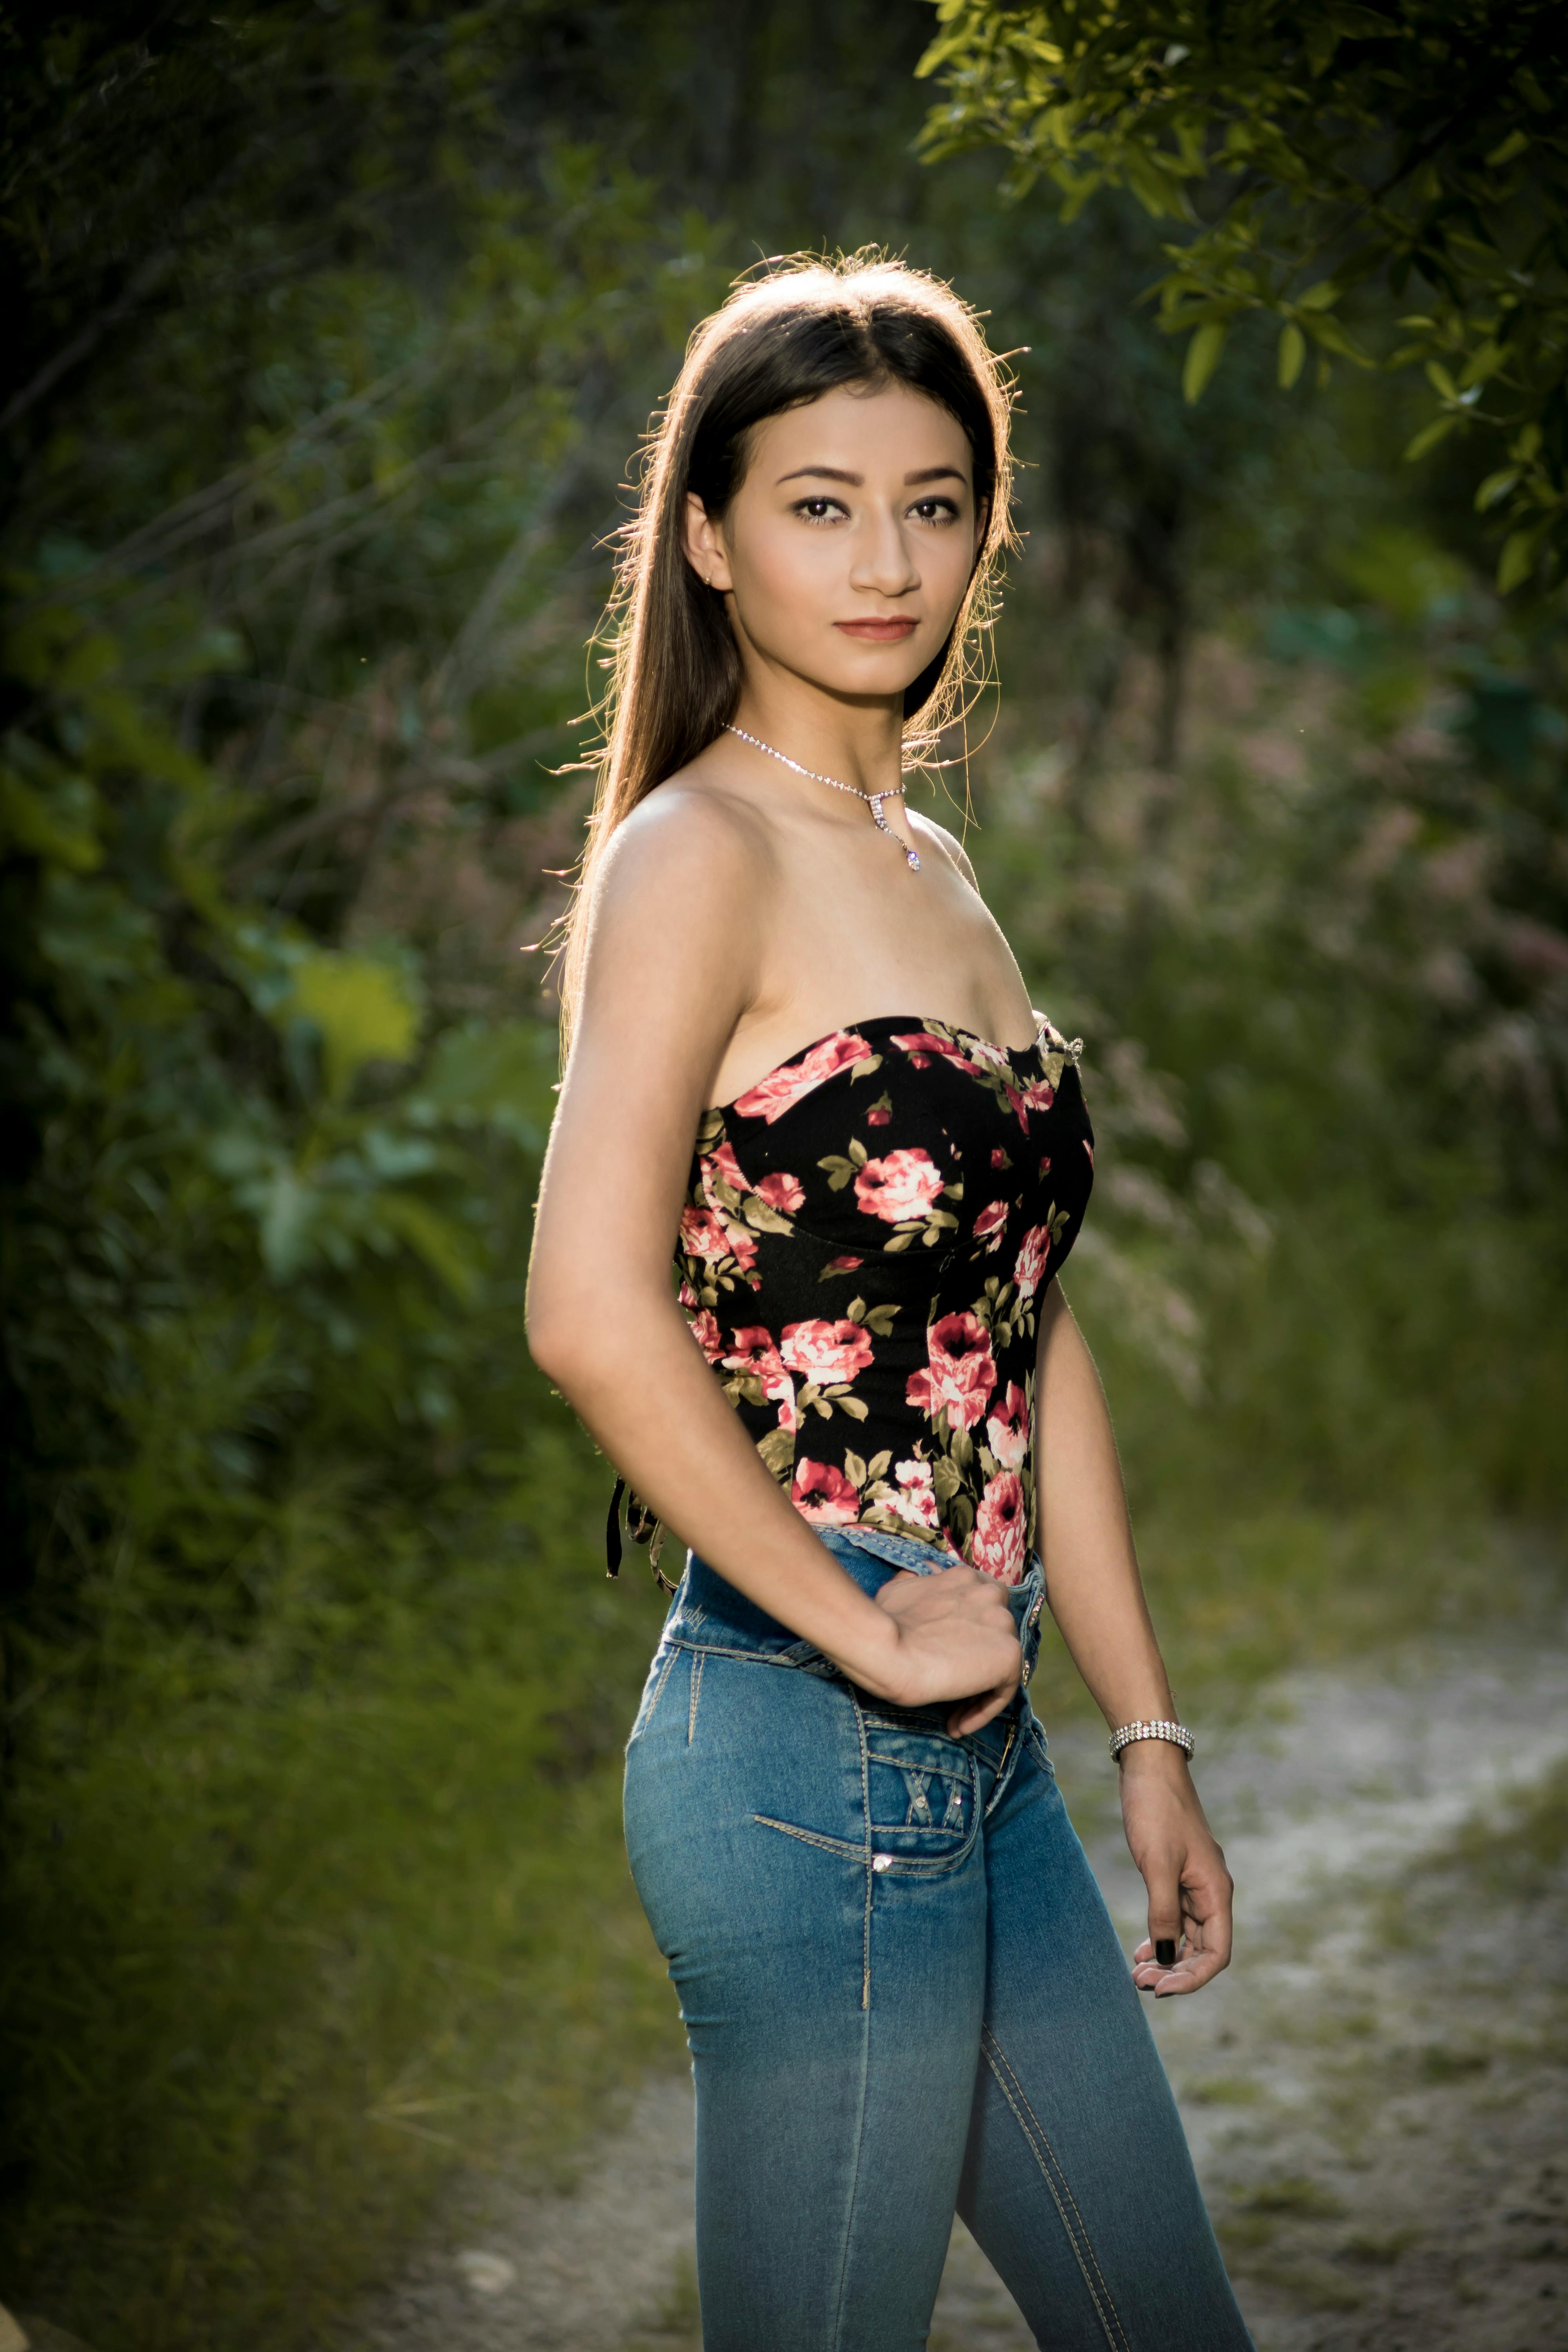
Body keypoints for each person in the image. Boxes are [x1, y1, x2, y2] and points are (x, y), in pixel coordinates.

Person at [526, 253, 1253, 2352]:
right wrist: (855, 1622)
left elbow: (1027, 1333)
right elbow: (587, 1308)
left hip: (984, 1751)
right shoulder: (698, 855)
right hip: (798, 1742)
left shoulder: (934, 865)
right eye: (819, 502)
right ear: (708, 536)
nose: (884, 557)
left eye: (934, 503)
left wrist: (1145, 1729)